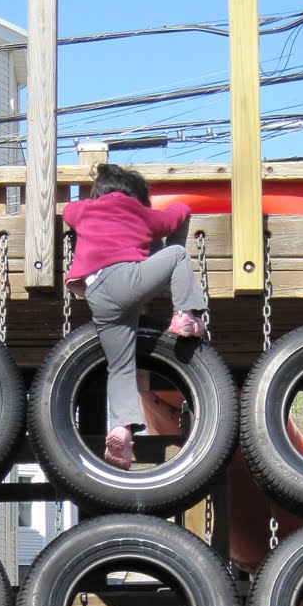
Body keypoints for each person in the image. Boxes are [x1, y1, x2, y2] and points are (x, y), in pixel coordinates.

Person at [62, 163, 208, 469]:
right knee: (177, 255)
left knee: (120, 366)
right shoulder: (142, 213)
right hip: (129, 278)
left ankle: (120, 428)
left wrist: (86, 208)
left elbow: (68, 212)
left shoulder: (86, 211)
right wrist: (180, 207)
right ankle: (185, 313)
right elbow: (176, 216)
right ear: (137, 194)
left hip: (96, 292)